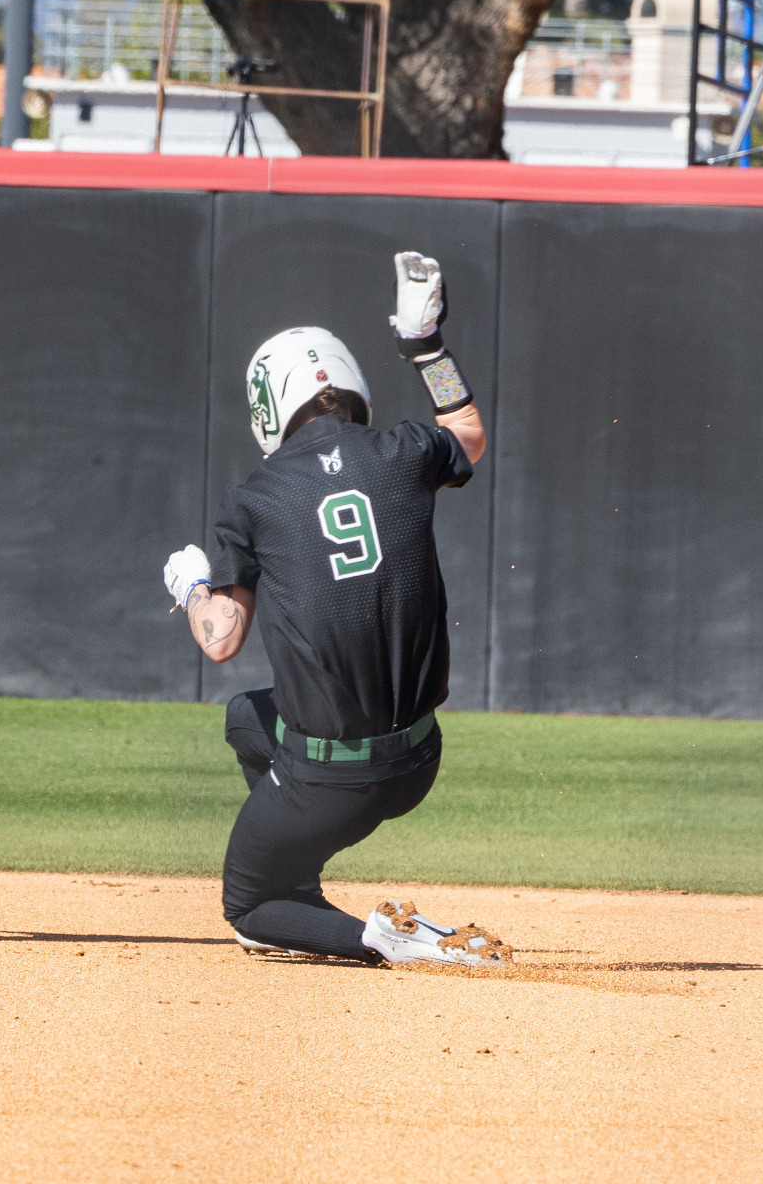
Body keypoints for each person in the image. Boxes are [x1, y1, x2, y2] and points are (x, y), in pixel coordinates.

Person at [160, 253, 511, 967]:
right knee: (246, 719)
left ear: (268, 408)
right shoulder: (405, 449)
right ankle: (305, 880)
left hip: (332, 780)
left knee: (250, 910)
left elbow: (221, 640)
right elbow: (467, 431)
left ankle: (383, 939)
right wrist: (426, 346)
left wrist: (191, 585)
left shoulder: (254, 498)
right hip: (418, 759)